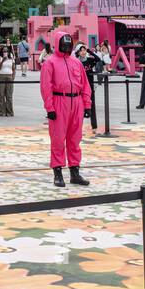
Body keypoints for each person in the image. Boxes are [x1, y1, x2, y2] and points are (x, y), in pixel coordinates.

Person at [41, 33, 92, 187]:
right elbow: (46, 87)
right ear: (58, 43)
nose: (67, 46)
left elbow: (85, 85)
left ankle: (75, 172)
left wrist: (87, 104)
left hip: (76, 102)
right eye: (64, 43)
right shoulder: (49, 63)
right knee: (58, 139)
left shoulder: (76, 62)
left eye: (69, 44)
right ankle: (57, 172)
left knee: (75, 139)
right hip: (59, 102)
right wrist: (49, 107)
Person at [0, 46, 15, 117]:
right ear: (1, 52)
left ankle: (10, 112)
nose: (5, 52)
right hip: (1, 77)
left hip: (9, 77)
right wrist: (2, 61)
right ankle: (2, 112)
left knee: (9, 95)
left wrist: (13, 78)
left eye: (6, 51)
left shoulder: (11, 59)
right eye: (4, 51)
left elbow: (13, 69)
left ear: (9, 52)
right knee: (1, 95)